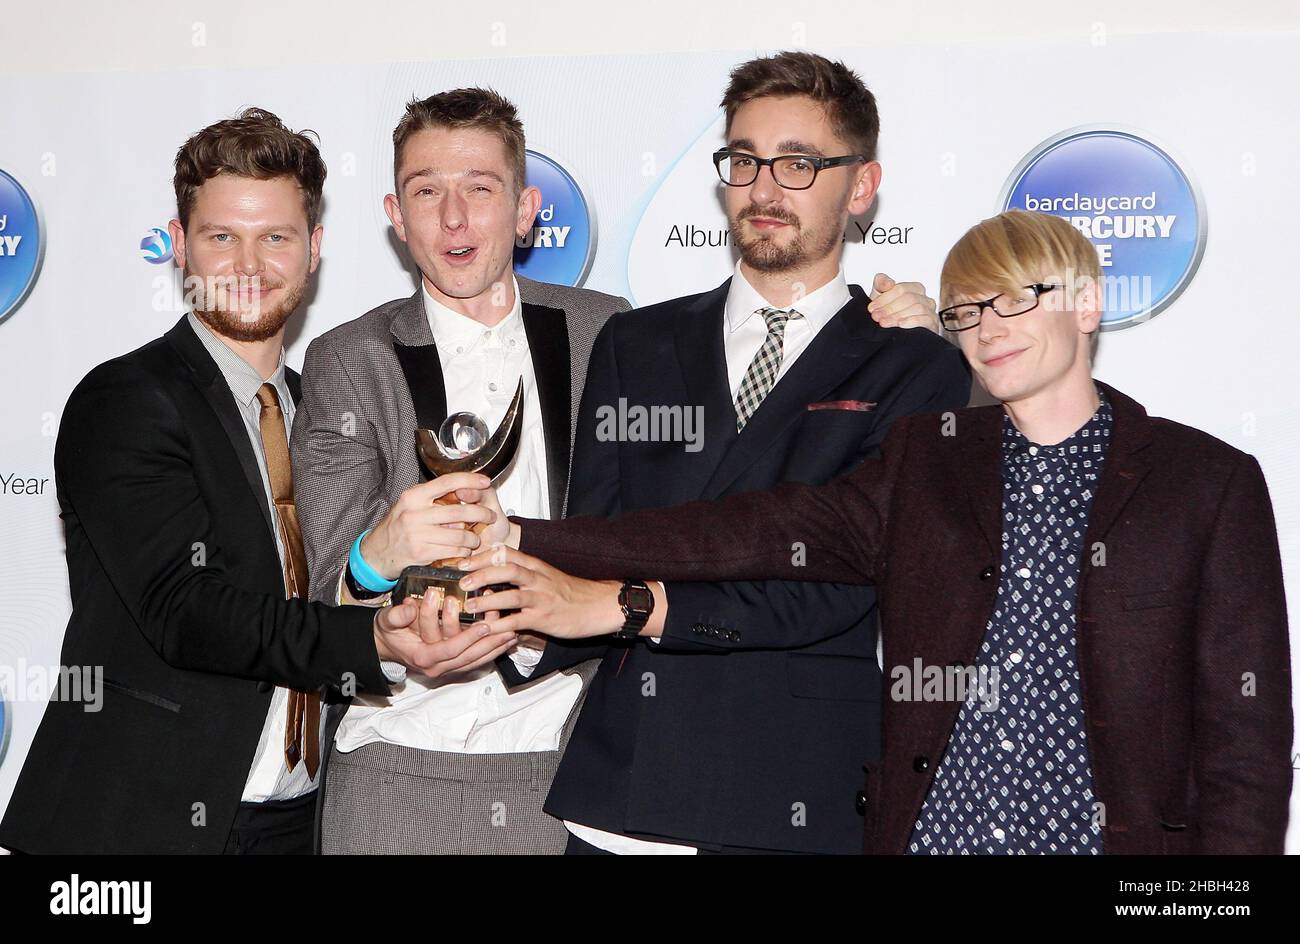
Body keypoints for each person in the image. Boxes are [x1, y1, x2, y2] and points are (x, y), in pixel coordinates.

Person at [461, 209, 1293, 854]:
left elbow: (1245, 747)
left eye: (1015, 299)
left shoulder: (1205, 483)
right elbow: (744, 529)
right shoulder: (929, 459)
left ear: (1087, 302)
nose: (989, 327)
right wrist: (530, 536)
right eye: (966, 310)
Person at [477, 51, 965, 855]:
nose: (765, 189)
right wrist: (513, 612)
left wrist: (628, 605)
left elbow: (843, 584)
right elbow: (595, 539)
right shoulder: (636, 341)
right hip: (624, 788)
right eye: (744, 160)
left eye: (799, 164)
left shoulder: (916, 366)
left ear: (862, 187)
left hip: (794, 785)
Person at [0, 108, 515, 856]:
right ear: (178, 248)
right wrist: (376, 638)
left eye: (275, 237)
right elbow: (187, 611)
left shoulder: (327, 409)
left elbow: (331, 580)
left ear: (315, 251)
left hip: (301, 818)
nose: (249, 266)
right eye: (221, 238)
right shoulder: (126, 401)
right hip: (141, 820)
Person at [289, 88, 630, 854]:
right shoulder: (349, 358)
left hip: (568, 766)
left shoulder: (610, 331)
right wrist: (380, 569)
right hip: (394, 768)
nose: (453, 217)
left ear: (525, 209)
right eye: (426, 191)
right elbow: (324, 593)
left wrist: (904, 335)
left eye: (480, 188)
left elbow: (686, 509)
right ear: (395, 213)